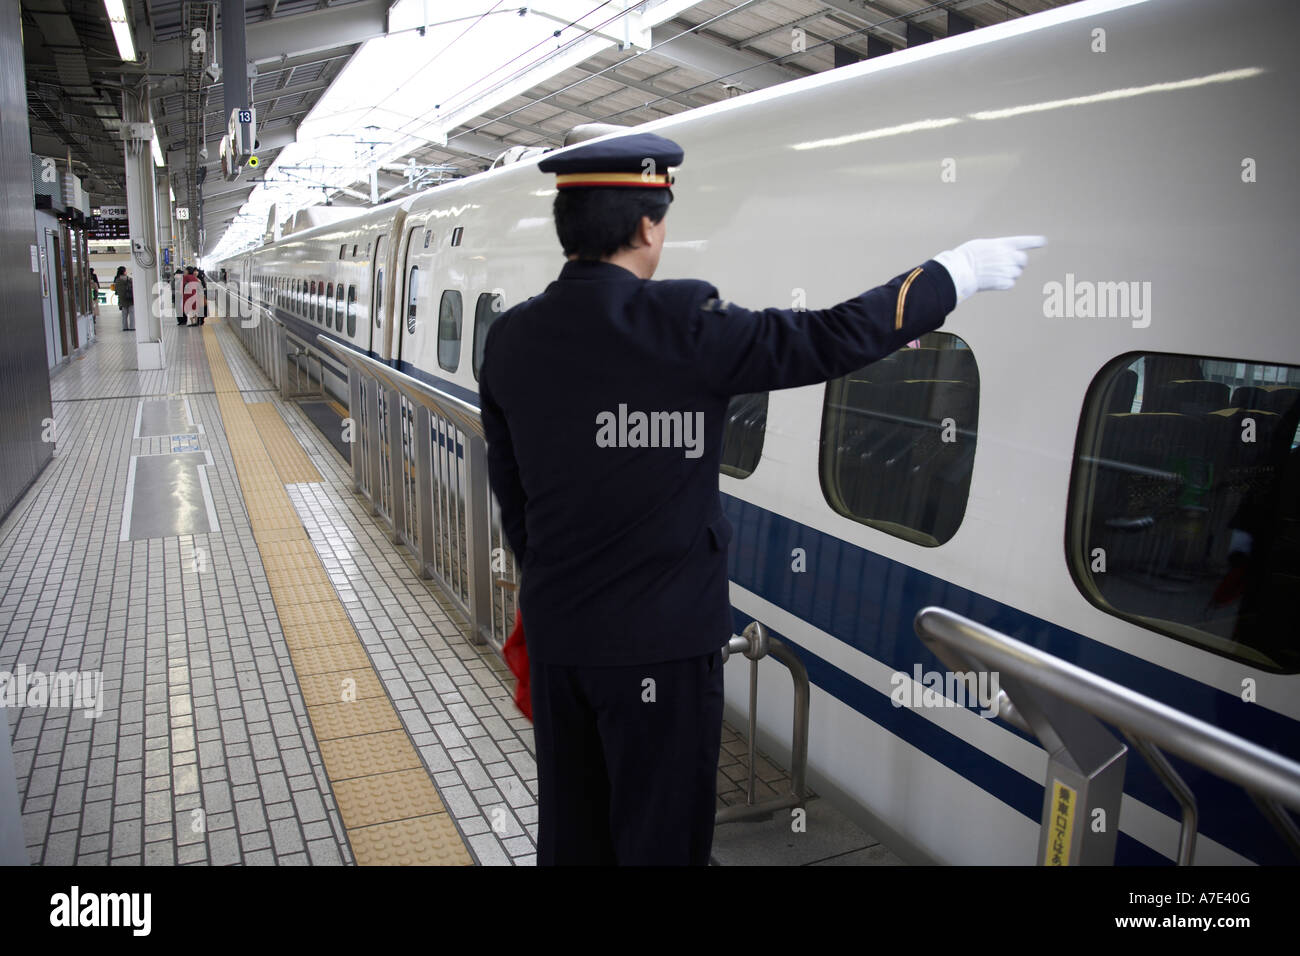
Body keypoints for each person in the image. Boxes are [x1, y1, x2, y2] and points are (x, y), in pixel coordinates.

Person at [477, 131, 1045, 866]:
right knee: (660, 838)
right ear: (649, 226)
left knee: (573, 832)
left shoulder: (513, 338)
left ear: (567, 228)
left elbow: (514, 494)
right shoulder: (683, 323)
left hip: (561, 638)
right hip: (664, 650)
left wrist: (557, 581)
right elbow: (830, 338)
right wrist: (950, 276)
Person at [112, 266, 134, 331]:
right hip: (130, 298)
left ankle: (125, 327)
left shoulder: (117, 280)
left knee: (124, 315)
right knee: (132, 313)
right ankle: (132, 327)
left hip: (122, 299)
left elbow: (116, 290)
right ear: (124, 272)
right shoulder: (129, 279)